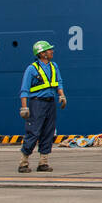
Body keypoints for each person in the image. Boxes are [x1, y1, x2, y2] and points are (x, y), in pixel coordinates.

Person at [18, 41, 67, 173]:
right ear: (42, 54)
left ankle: (43, 162)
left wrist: (61, 96)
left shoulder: (54, 66)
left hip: (50, 103)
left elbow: (59, 82)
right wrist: (24, 107)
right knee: (33, 131)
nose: (52, 51)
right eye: (49, 50)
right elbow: (24, 89)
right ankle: (23, 162)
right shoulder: (31, 69)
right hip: (37, 103)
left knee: (48, 132)